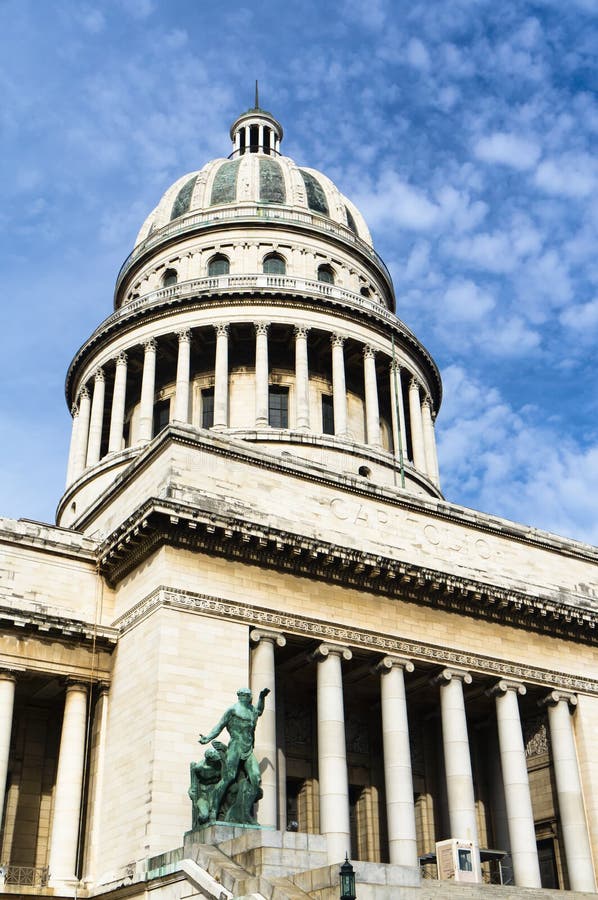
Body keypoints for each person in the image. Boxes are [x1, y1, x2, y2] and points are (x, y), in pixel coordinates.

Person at [198, 687, 270, 822]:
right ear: (241, 696)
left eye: (250, 696)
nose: (250, 698)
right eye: (247, 696)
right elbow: (219, 726)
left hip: (247, 749)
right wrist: (207, 738)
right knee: (228, 778)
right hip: (235, 747)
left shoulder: (252, 711)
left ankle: (245, 813)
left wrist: (262, 697)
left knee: (256, 778)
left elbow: (259, 711)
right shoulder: (233, 710)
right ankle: (214, 809)